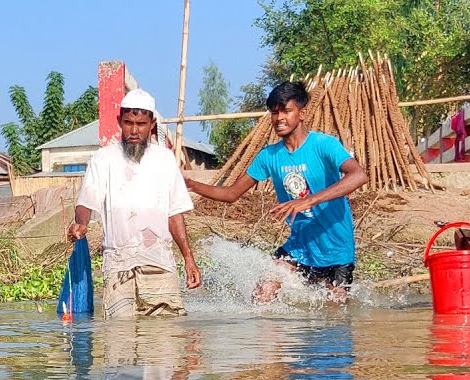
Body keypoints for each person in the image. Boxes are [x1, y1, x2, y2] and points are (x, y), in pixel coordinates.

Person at [185, 81, 368, 304]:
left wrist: (307, 201)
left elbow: (359, 175)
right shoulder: (269, 156)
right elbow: (231, 194)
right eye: (274, 112)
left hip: (336, 248)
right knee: (263, 293)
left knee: (334, 313)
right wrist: (193, 185)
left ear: (302, 113)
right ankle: (264, 337)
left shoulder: (324, 145)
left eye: (286, 111)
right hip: (300, 245)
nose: (279, 118)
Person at [69, 88, 202, 318]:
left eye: (140, 124)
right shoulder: (103, 159)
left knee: (166, 343)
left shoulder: (165, 160)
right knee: (120, 343)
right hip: (118, 266)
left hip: (159, 262)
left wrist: (188, 258)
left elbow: (175, 212)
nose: (134, 130)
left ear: (152, 123)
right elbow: (86, 202)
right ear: (119, 121)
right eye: (128, 122)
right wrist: (80, 224)